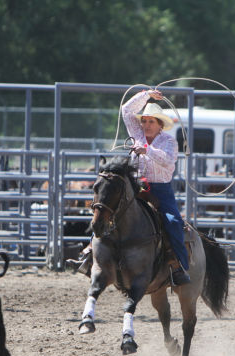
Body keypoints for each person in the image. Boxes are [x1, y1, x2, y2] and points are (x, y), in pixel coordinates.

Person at [68, 89, 190, 285]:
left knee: (173, 221)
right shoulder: (137, 133)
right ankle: (90, 253)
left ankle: (179, 266)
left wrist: (147, 150)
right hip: (135, 187)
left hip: (160, 190)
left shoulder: (169, 141)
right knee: (107, 208)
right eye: (145, 120)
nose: (147, 125)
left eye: (152, 121)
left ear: (160, 125)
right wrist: (147, 94)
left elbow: (168, 160)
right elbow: (126, 110)